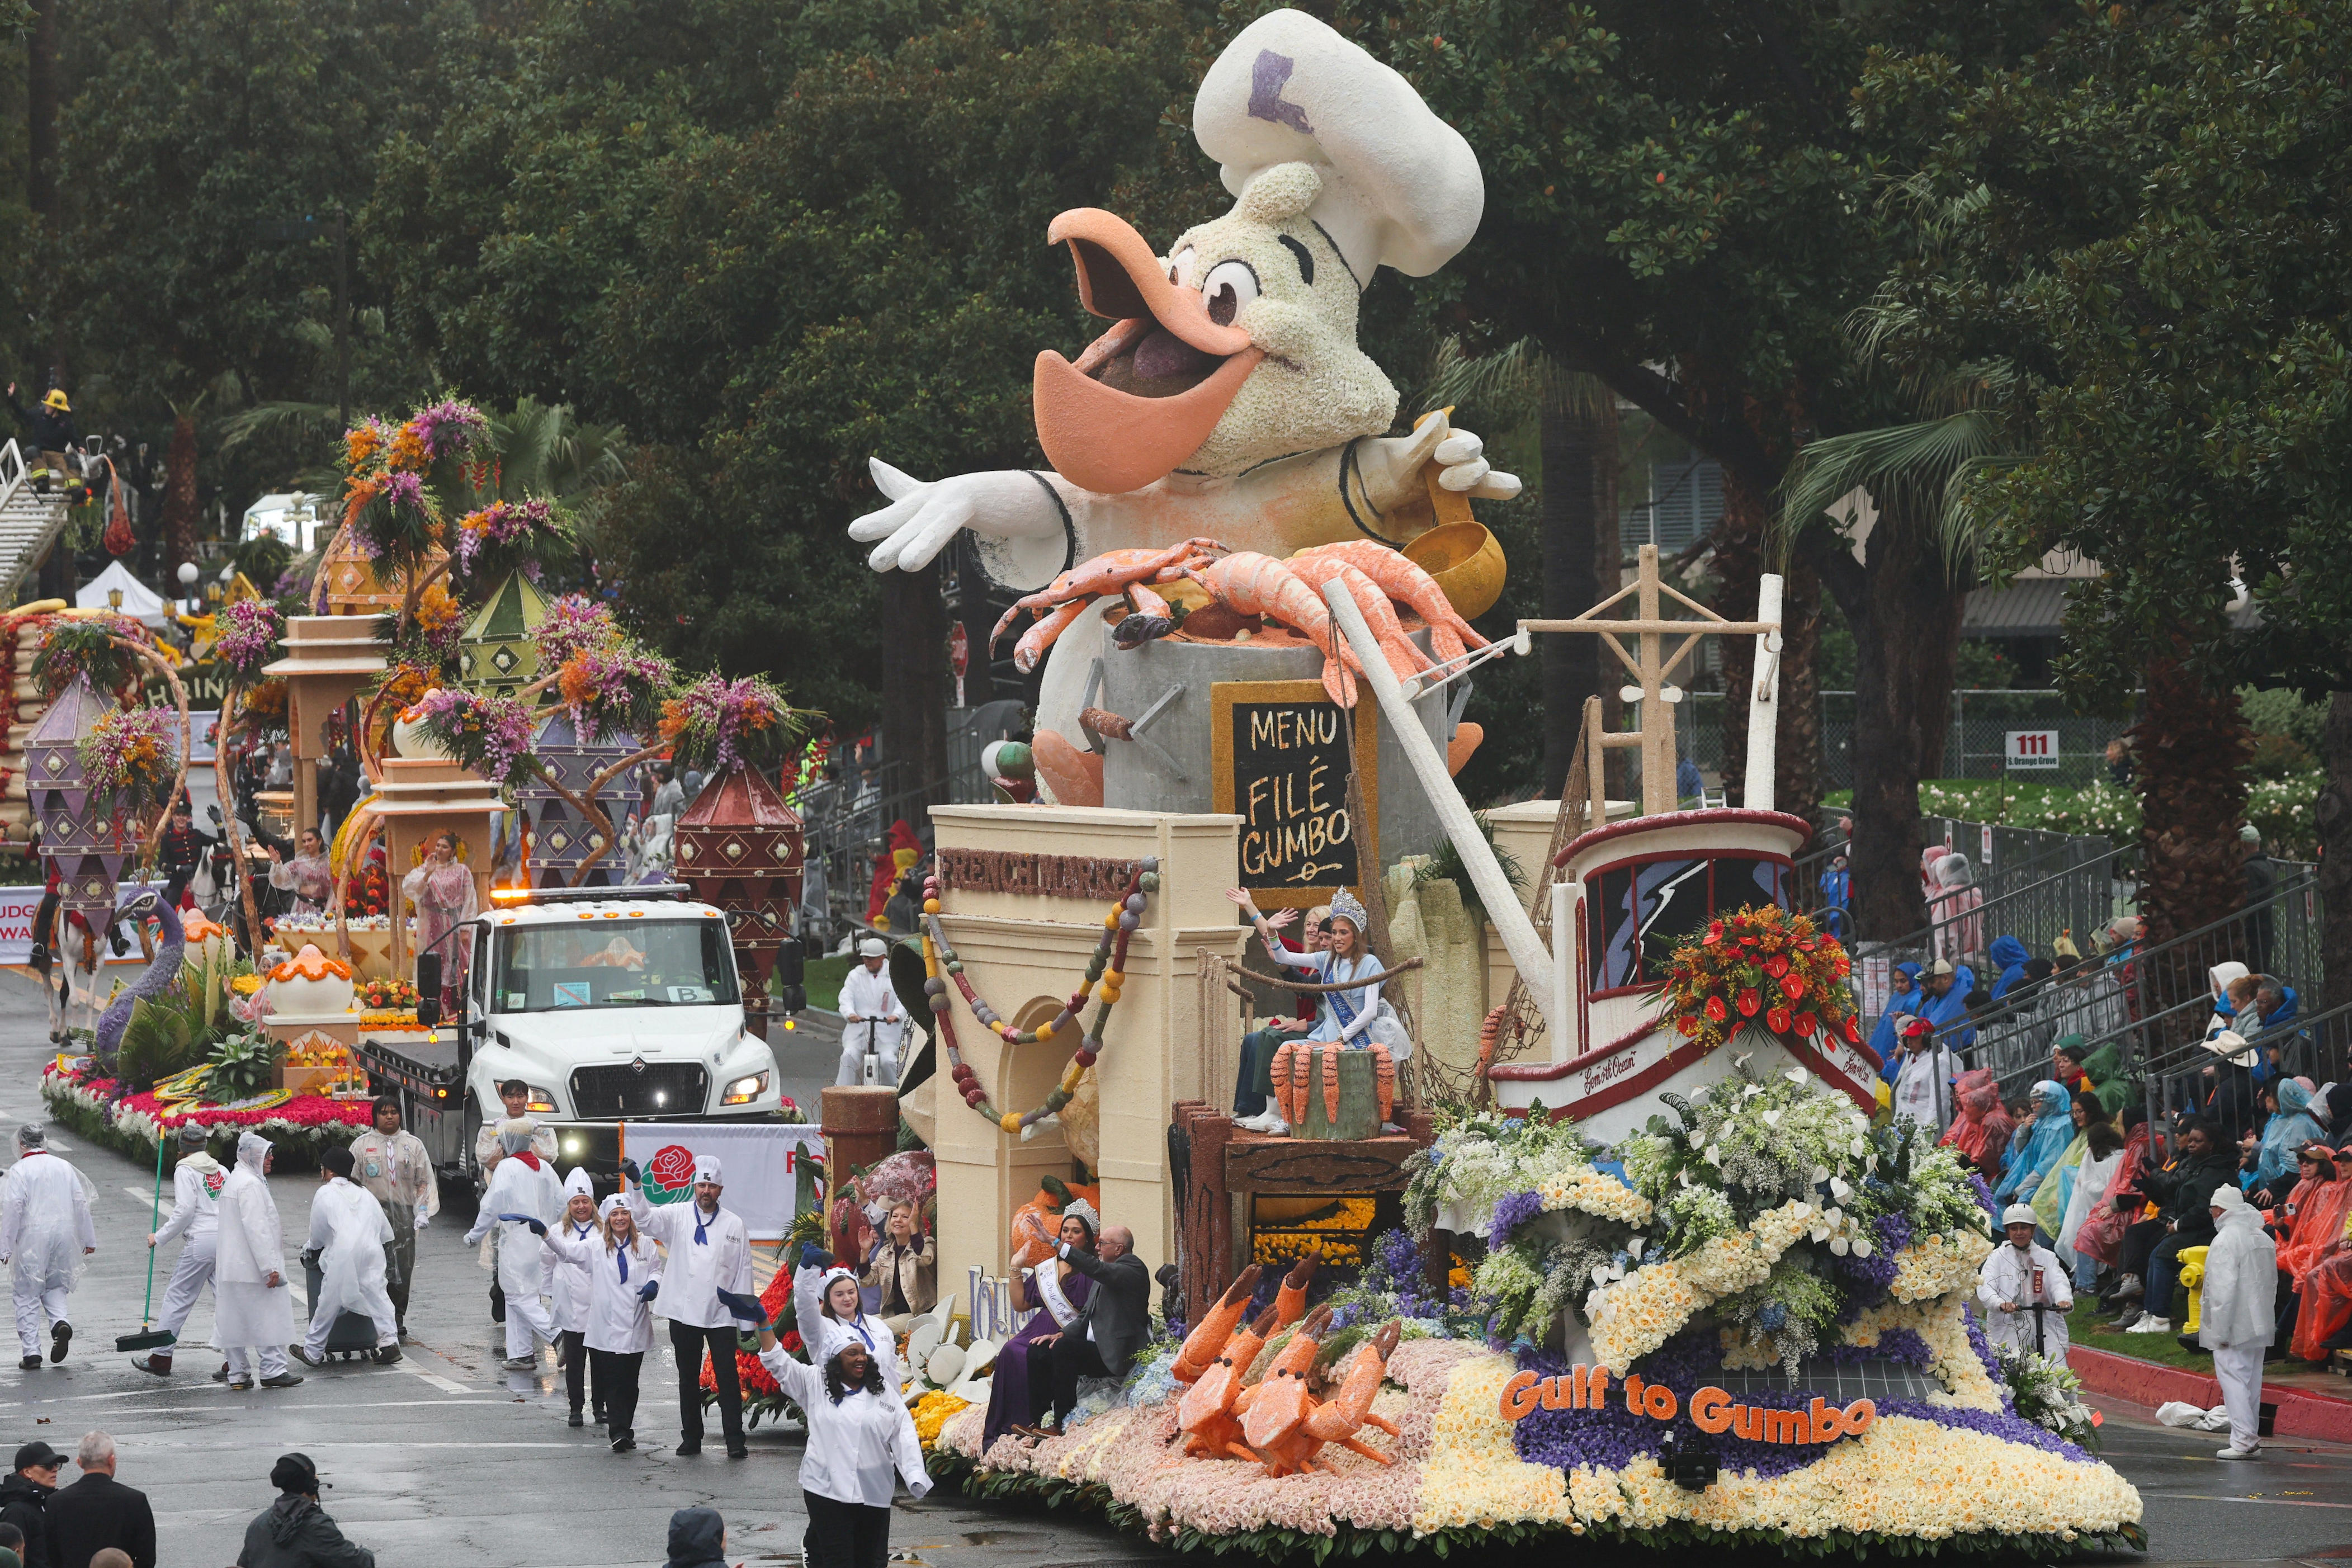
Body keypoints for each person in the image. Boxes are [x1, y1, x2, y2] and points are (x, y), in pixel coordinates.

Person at [1225, 887, 1406, 1136]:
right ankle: (1286, 1118)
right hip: (1328, 1033)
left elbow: (1370, 1011)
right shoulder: (1327, 959)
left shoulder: (1369, 963)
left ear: (1356, 935)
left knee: (1308, 1056)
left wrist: (1341, 1039)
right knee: (1284, 1051)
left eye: (1344, 932)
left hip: (1359, 1035)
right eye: (1334, 933)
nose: (1338, 938)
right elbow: (1286, 957)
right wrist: (1273, 931)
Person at [755, 1320, 929, 1568]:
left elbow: (903, 1432)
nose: (861, 1359)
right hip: (826, 1489)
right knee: (838, 1559)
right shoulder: (814, 1382)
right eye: (852, 1353)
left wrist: (914, 1473)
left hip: (873, 1491)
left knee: (872, 1561)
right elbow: (778, 1362)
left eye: (863, 1353)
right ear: (835, 1360)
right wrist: (763, 1325)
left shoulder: (884, 1392)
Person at [622, 1154, 755, 1457]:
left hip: (722, 1313)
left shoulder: (734, 1224)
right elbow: (644, 1220)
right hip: (684, 1312)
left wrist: (746, 1323)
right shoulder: (678, 1215)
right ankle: (692, 1437)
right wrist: (638, 1185)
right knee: (687, 1376)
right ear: (694, 1187)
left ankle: (735, 1438)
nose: (705, 1191)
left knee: (727, 1377)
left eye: (711, 1186)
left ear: (720, 1190)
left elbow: (744, 1272)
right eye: (701, 1185)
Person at [540, 1194, 662, 1452]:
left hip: (635, 1324)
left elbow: (656, 1269)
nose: (620, 1219)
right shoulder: (595, 1247)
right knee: (614, 1380)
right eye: (615, 1215)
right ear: (607, 1220)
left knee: (631, 1383)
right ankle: (617, 1432)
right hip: (606, 1327)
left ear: (631, 1218)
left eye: (624, 1214)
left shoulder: (647, 1245)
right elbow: (566, 1252)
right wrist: (545, 1234)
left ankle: (626, 1429)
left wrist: (654, 1284)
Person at [981, 1204, 1098, 1451]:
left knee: (1032, 1355)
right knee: (1011, 1350)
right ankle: (1010, 1424)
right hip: (1038, 1327)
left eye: (1076, 1231)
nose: (1068, 1235)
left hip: (1070, 1332)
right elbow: (1021, 1303)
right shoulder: (1049, 1267)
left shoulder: (1093, 1269)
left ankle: (1038, 1420)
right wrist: (1016, 1265)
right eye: (1065, 1230)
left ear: (1088, 1237)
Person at [1019, 1221, 1150, 1437]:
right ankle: (1038, 1420)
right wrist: (1059, 1334)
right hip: (1093, 1349)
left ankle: (1060, 1423)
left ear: (1119, 1249)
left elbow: (1095, 1267)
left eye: (1102, 1244)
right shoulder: (1106, 1273)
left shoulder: (1132, 1268)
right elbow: (1084, 1318)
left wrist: (1055, 1242)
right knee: (1039, 1349)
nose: (1097, 1248)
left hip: (1115, 1355)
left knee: (1064, 1349)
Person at [2115, 1118, 2239, 1335]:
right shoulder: (2196, 1165)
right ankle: (2151, 1313)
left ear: (2211, 1144)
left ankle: (2160, 1317)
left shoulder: (2215, 1170)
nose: (2191, 1145)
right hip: (2189, 1226)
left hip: (2208, 1231)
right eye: (2190, 1140)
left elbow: (2204, 1209)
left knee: (2162, 1256)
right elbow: (2174, 1192)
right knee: (2156, 1253)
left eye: (2197, 1141)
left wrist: (2179, 1225)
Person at [465, 1123, 561, 1370]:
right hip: (543, 1240)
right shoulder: (546, 1169)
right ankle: (521, 1354)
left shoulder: (507, 1167)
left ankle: (558, 1335)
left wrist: (475, 1235)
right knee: (521, 1294)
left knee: (517, 1294)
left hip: (518, 1240)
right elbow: (563, 1205)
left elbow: (491, 1206)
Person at [130, 1123, 223, 1376]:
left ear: (182, 1147)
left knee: (179, 1297)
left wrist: (159, 1237)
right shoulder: (222, 1170)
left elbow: (185, 1210)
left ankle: (161, 1357)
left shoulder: (185, 1170)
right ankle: (235, 1361)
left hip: (202, 1242)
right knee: (227, 1301)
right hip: (227, 1240)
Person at [296, 1146, 402, 1367]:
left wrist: (312, 1248)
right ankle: (390, 1342)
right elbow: (384, 1229)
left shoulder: (325, 1192)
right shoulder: (364, 1192)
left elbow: (318, 1233)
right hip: (372, 1249)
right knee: (377, 1295)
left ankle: (313, 1351)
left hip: (344, 1252)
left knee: (329, 1299)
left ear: (330, 1171)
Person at [0, 1125, 94, 1369]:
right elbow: (80, 1202)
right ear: (44, 1141)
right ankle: (60, 1323)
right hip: (63, 1235)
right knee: (55, 1285)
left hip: (33, 1237)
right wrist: (88, 1239)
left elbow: (12, 1209)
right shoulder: (63, 1167)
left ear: (21, 1144)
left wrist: (5, 1246)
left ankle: (32, 1353)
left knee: (27, 1292)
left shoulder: (19, 1171)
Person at [215, 1132, 303, 1390]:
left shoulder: (235, 1181)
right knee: (268, 1319)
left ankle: (238, 1374)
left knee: (235, 1321)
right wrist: (270, 1267)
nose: (271, 1159)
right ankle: (273, 1370)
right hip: (253, 1267)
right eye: (267, 1155)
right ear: (252, 1156)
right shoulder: (251, 1185)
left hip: (233, 1266)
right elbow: (258, 1229)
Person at [347, 1097, 436, 1338]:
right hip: (372, 1214)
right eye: (384, 1113)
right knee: (375, 1266)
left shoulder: (413, 1145)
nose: (389, 1117)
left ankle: (397, 1314)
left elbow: (423, 1180)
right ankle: (374, 1315)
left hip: (404, 1215)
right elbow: (350, 1181)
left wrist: (423, 1210)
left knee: (402, 1266)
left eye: (394, 1112)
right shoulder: (362, 1146)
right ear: (375, 1116)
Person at [2202, 1184, 2279, 1460]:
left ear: (2220, 1210)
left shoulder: (2225, 1240)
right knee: (2251, 1381)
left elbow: (2222, 1290)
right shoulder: (2261, 1237)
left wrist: (2218, 1329)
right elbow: (2272, 1283)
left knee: (2234, 1380)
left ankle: (2244, 1440)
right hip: (2259, 1323)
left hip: (2233, 1323)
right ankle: (2249, 1437)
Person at [472, 1083, 556, 1325]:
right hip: (505, 1200)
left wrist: (524, 1140)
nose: (516, 1101)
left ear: (527, 1098)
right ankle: (502, 1297)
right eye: (511, 1097)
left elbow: (549, 1155)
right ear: (504, 1099)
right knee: (502, 1253)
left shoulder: (539, 1127)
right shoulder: (491, 1128)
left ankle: (532, 1302)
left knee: (533, 1253)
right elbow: (487, 1159)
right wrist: (504, 1139)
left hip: (533, 1198)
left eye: (520, 1096)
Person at [792, 1248, 905, 1399]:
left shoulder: (877, 1325)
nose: (847, 1298)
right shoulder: (821, 1328)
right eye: (839, 1294)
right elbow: (805, 1309)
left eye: (851, 1292)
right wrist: (807, 1272)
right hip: (841, 1410)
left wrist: (898, 1410)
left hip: (881, 1410)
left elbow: (892, 1372)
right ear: (828, 1300)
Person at [238, 1452, 375, 1568]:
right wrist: (366, 1554)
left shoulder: (258, 1523)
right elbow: (355, 1563)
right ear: (312, 1485)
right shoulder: (316, 1524)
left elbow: (243, 1564)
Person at [545, 1166, 604, 1427]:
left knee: (601, 1362)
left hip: (598, 1305)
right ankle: (576, 1408)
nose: (581, 1207)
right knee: (576, 1363)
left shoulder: (605, 1231)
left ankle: (600, 1407)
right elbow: (545, 1261)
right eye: (576, 1203)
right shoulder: (557, 1231)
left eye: (585, 1202)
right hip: (570, 1305)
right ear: (568, 1205)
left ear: (593, 1203)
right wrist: (551, 1290)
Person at [43, 1431, 154, 1568]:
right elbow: (147, 1558)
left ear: (79, 1462)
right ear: (111, 1460)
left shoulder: (56, 1502)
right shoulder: (135, 1500)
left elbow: (51, 1555)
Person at [1980, 1204, 2074, 1357]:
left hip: (2045, 1322)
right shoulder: (1996, 1257)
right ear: (2007, 1231)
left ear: (2033, 1229)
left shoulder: (2047, 1257)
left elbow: (2059, 1283)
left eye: (2023, 1228)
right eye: (2014, 1228)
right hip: (2009, 1323)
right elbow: (1986, 1287)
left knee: (2056, 1368)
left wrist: (2063, 1300)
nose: (2019, 1233)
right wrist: (2000, 1303)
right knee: (2010, 1367)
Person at [402, 830, 477, 1013]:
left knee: (457, 964)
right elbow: (412, 890)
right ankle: (434, 1009)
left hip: (454, 925)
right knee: (434, 964)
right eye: (438, 846)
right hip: (434, 925)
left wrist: (465, 927)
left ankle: (457, 1007)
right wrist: (428, 873)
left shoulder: (462, 871)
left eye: (445, 847)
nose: (440, 850)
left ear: (453, 852)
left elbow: (470, 899)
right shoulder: (425, 868)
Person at [2057, 1119, 2127, 1292]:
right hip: (2107, 1209)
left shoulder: (2118, 1158)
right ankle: (2082, 1280)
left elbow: (2106, 1187)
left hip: (2116, 1210)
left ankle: (2086, 1286)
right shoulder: (2111, 1157)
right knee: (2085, 1231)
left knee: (2087, 1233)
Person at [1991, 1081, 2075, 1206]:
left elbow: (2048, 1165)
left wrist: (2022, 1188)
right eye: (2032, 1102)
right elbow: (2021, 1150)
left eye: (2037, 1102)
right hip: (2032, 1180)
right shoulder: (2040, 1122)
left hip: (2048, 1185)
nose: (2034, 1106)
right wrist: (2024, 1129)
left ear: (2050, 1101)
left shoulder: (2061, 1126)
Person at [838, 937, 906, 1087]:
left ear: (883, 957)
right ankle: (842, 1094)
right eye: (865, 958)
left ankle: (899, 1094)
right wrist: (850, 1014)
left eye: (872, 958)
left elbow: (902, 1000)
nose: (868, 961)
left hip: (886, 1032)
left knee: (888, 1060)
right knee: (849, 1056)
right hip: (859, 1030)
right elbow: (846, 997)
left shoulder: (893, 975)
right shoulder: (855, 975)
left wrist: (896, 1016)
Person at [862, 1200, 936, 1334]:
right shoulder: (886, 1252)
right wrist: (864, 1252)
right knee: (858, 1325)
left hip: (919, 1314)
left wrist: (913, 1226)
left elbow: (924, 1259)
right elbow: (867, 1281)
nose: (898, 1220)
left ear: (915, 1222)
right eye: (895, 1216)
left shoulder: (927, 1243)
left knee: (874, 1331)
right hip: (892, 1314)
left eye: (905, 1217)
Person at [2251, 1078, 2327, 1207]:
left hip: (2287, 1188)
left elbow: (2295, 1168)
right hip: (2275, 1185)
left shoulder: (2300, 1125)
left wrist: (2274, 1188)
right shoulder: (2283, 1120)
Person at [1939, 1069, 2015, 1182]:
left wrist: (1962, 1160)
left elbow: (1988, 1166)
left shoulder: (1993, 1121)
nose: (1967, 1108)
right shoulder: (1985, 1118)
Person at [4, 383, 77, 495]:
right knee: (32, 451)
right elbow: (23, 414)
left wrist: (80, 447)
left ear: (56, 408)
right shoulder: (39, 415)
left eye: (48, 405)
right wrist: (12, 398)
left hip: (58, 455)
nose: (46, 406)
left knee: (71, 462)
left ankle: (75, 490)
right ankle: (42, 483)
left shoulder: (66, 422)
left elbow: (74, 438)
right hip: (40, 454)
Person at [1890, 1018, 1961, 1133]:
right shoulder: (1914, 1057)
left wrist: (1926, 1132)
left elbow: (1938, 1104)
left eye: (1914, 1037)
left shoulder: (1939, 1063)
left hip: (1925, 1131)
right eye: (1908, 1037)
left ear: (1926, 1039)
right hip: (1906, 1128)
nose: (1909, 1041)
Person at [0, 1443, 59, 1568]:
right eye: (48, 1466)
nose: (55, 1469)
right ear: (27, 1472)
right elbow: (9, 1562)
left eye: (56, 1465)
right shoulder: (16, 1512)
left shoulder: (49, 1502)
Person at [266, 830, 334, 922]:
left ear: (319, 841)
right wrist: (277, 864)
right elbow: (280, 880)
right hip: (300, 910)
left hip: (323, 910)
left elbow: (334, 891)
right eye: (304, 841)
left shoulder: (330, 864)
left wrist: (328, 913)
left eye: (310, 840)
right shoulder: (299, 863)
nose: (307, 844)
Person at [1928, 853, 1983, 966]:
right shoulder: (1975, 890)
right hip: (1974, 944)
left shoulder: (1949, 893)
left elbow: (1943, 927)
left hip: (1954, 950)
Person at [2242, 824, 2279, 975]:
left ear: (2242, 845)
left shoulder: (2250, 868)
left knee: (2256, 971)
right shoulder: (2268, 865)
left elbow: (2250, 900)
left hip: (2254, 929)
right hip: (2266, 926)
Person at [1987, 934, 2032, 1001]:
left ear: (2003, 955)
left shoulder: (2014, 972)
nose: (1993, 958)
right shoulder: (2024, 965)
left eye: (1996, 955)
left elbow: (1999, 1000)